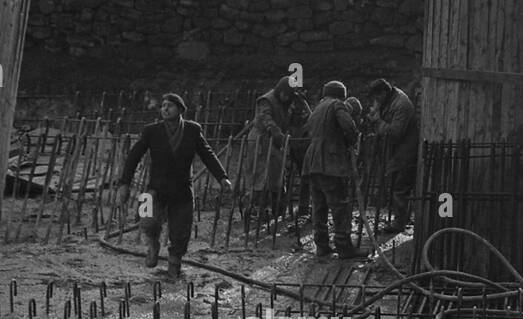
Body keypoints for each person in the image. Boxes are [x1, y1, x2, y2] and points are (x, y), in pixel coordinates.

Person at [115, 93, 232, 282]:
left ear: (180, 110)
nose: (165, 109)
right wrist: (124, 183)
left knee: (180, 232)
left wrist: (222, 177)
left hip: (182, 190)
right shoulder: (151, 131)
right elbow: (134, 156)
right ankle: (152, 245)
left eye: (169, 106)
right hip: (154, 188)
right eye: (162, 106)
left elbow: (207, 154)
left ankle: (174, 265)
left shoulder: (193, 130)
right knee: (146, 220)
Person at [301, 80, 367, 261]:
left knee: (319, 207)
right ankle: (344, 248)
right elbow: (348, 126)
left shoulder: (318, 108)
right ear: (342, 95)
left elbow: (308, 131)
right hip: (331, 163)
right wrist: (352, 140)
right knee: (340, 206)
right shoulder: (337, 105)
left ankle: (322, 246)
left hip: (312, 163)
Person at [244, 77, 311, 221]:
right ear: (281, 90)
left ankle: (276, 208)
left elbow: (295, 120)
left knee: (277, 176)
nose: (287, 98)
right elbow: (265, 117)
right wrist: (275, 131)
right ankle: (255, 208)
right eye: (286, 94)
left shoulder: (286, 103)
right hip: (261, 140)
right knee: (260, 174)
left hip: (276, 142)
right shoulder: (266, 100)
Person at [366, 78, 419, 230]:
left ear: (384, 92)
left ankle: (399, 223)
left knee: (400, 187)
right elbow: (378, 111)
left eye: (377, 97)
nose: (375, 100)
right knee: (396, 186)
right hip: (394, 151)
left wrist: (378, 122)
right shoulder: (388, 99)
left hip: (405, 151)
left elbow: (396, 132)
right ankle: (401, 218)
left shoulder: (401, 104)